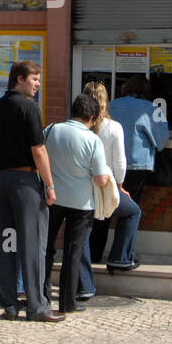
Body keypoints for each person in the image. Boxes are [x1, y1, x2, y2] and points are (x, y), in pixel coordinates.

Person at [0, 60, 64, 322]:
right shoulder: (29, 108)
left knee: (6, 242)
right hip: (25, 182)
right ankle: (37, 305)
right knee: (32, 243)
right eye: (34, 79)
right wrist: (50, 185)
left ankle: (9, 303)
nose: (37, 85)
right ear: (19, 79)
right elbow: (38, 150)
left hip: (0, 181)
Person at [42, 93, 110, 314]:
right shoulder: (92, 140)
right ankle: (67, 302)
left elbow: (39, 155)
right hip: (81, 203)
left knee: (47, 248)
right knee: (73, 252)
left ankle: (42, 296)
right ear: (91, 117)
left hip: (51, 197)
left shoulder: (51, 129)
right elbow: (100, 178)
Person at [82, 79, 142, 280]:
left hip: (81, 186)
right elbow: (120, 162)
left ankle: (91, 258)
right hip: (105, 184)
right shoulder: (113, 127)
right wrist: (120, 185)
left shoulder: (78, 128)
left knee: (91, 223)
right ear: (105, 101)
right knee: (133, 211)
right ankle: (120, 258)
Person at [107, 75, 169, 206]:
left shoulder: (110, 106)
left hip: (109, 163)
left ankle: (101, 227)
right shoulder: (152, 109)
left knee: (105, 209)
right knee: (131, 210)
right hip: (137, 165)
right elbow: (161, 142)